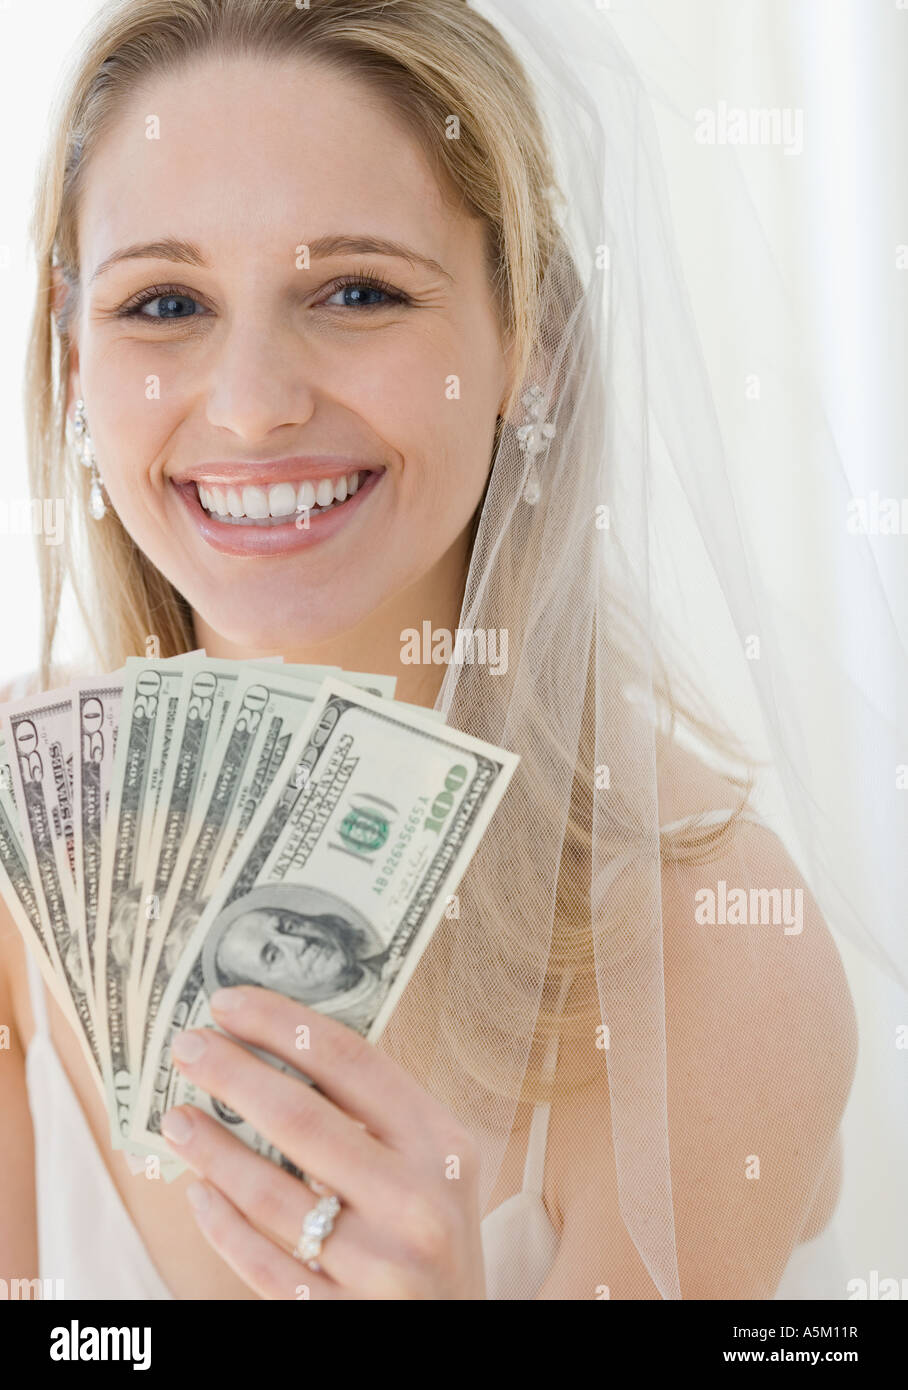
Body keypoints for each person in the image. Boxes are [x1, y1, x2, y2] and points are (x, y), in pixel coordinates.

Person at [0, 0, 893, 1301]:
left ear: (528, 343)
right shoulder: (25, 848)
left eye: (356, 291)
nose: (252, 407)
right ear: (75, 357)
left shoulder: (705, 950)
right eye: (166, 301)